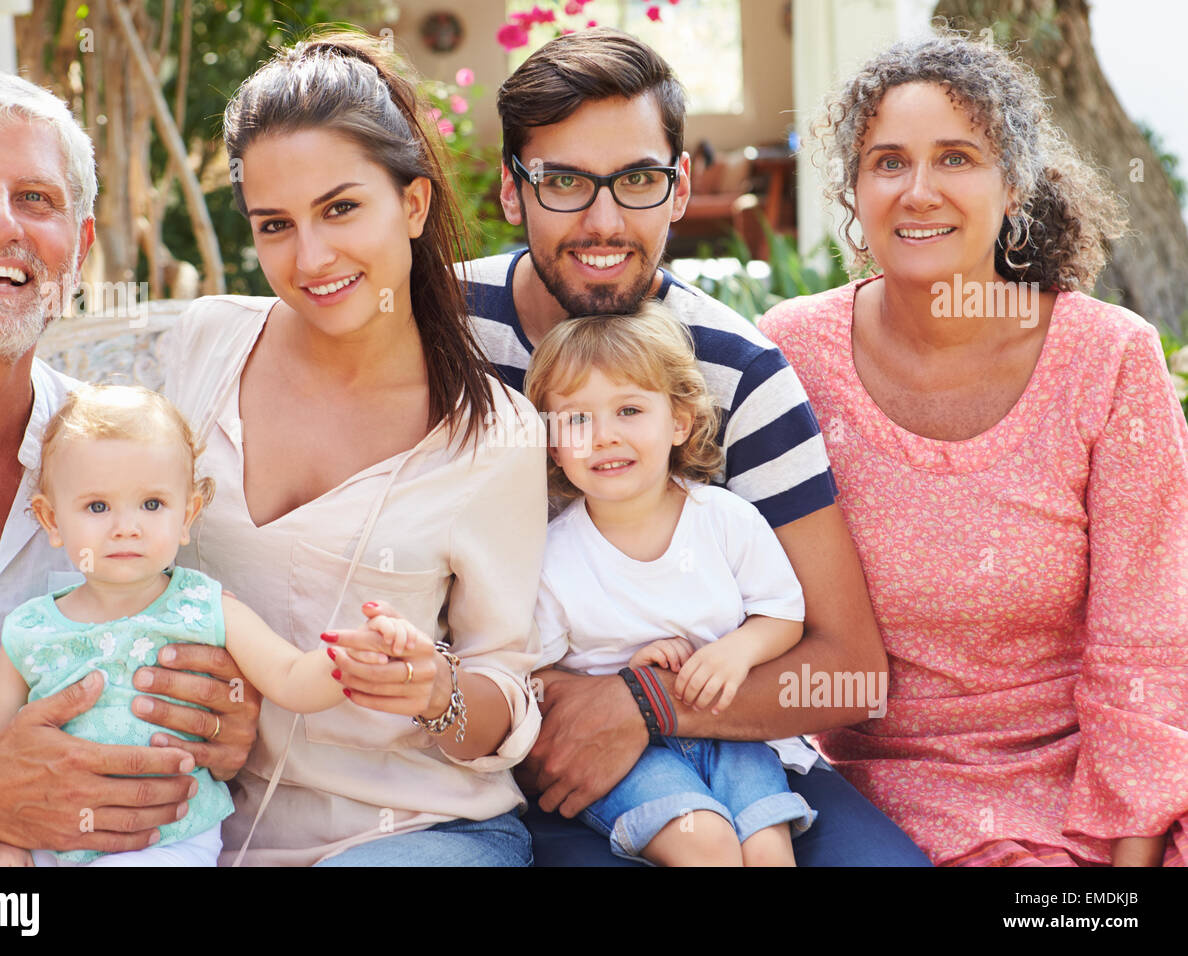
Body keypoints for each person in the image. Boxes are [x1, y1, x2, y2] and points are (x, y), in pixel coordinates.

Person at [459, 27, 930, 865]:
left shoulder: (738, 374)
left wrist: (648, 703)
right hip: (513, 763)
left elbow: (851, 670)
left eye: (637, 180)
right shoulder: (443, 338)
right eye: (564, 182)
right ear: (510, 190)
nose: (604, 222)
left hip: (730, 749)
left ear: (679, 188)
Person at [760, 32, 1188, 867]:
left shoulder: (1107, 358)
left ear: (1015, 183)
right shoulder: (792, 353)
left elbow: (1149, 644)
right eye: (888, 162)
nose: (918, 192)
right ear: (855, 186)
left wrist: (1119, 874)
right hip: (875, 800)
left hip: (1101, 786)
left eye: (957, 157)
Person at [163, 32, 547, 866]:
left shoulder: (495, 434)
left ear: (412, 206)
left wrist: (434, 690)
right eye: (275, 225)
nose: (311, 258)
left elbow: (506, 692)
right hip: (193, 826)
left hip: (414, 828)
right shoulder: (202, 345)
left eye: (342, 208)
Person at [0, 67, 260, 866]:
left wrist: (229, 720)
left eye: (36, 199)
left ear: (81, 247)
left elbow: (220, 696)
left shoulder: (131, 457)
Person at [0, 384, 422, 866]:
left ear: (187, 516)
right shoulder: (28, 630)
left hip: (165, 838)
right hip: (49, 835)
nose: (126, 527)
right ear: (51, 520)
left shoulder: (203, 606)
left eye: (152, 504)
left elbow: (291, 679)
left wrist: (350, 657)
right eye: (98, 507)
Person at [526, 304, 818, 866]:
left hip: (732, 733)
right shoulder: (554, 557)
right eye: (577, 420)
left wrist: (737, 650)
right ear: (553, 443)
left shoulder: (723, 518)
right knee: (705, 841)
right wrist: (630, 678)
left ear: (679, 422)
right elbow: (534, 678)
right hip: (629, 754)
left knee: (765, 847)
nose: (604, 437)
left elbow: (783, 612)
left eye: (630, 409)